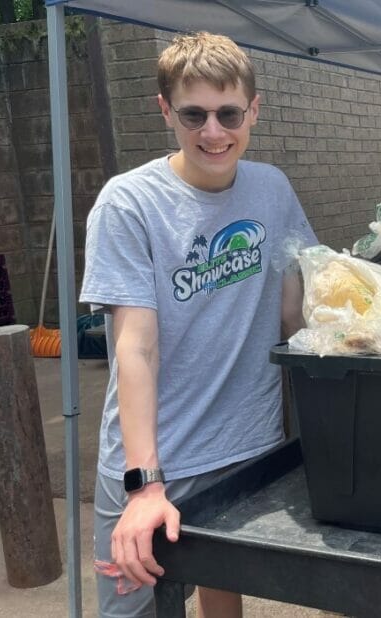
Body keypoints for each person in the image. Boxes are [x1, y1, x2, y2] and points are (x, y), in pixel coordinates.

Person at [80, 31, 317, 617]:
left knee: (221, 590)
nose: (213, 132)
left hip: (244, 448)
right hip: (157, 458)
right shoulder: (129, 203)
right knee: (135, 610)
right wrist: (145, 486)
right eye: (194, 115)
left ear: (253, 111)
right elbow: (135, 348)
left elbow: (294, 314)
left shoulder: (272, 189)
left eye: (228, 113)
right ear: (166, 110)